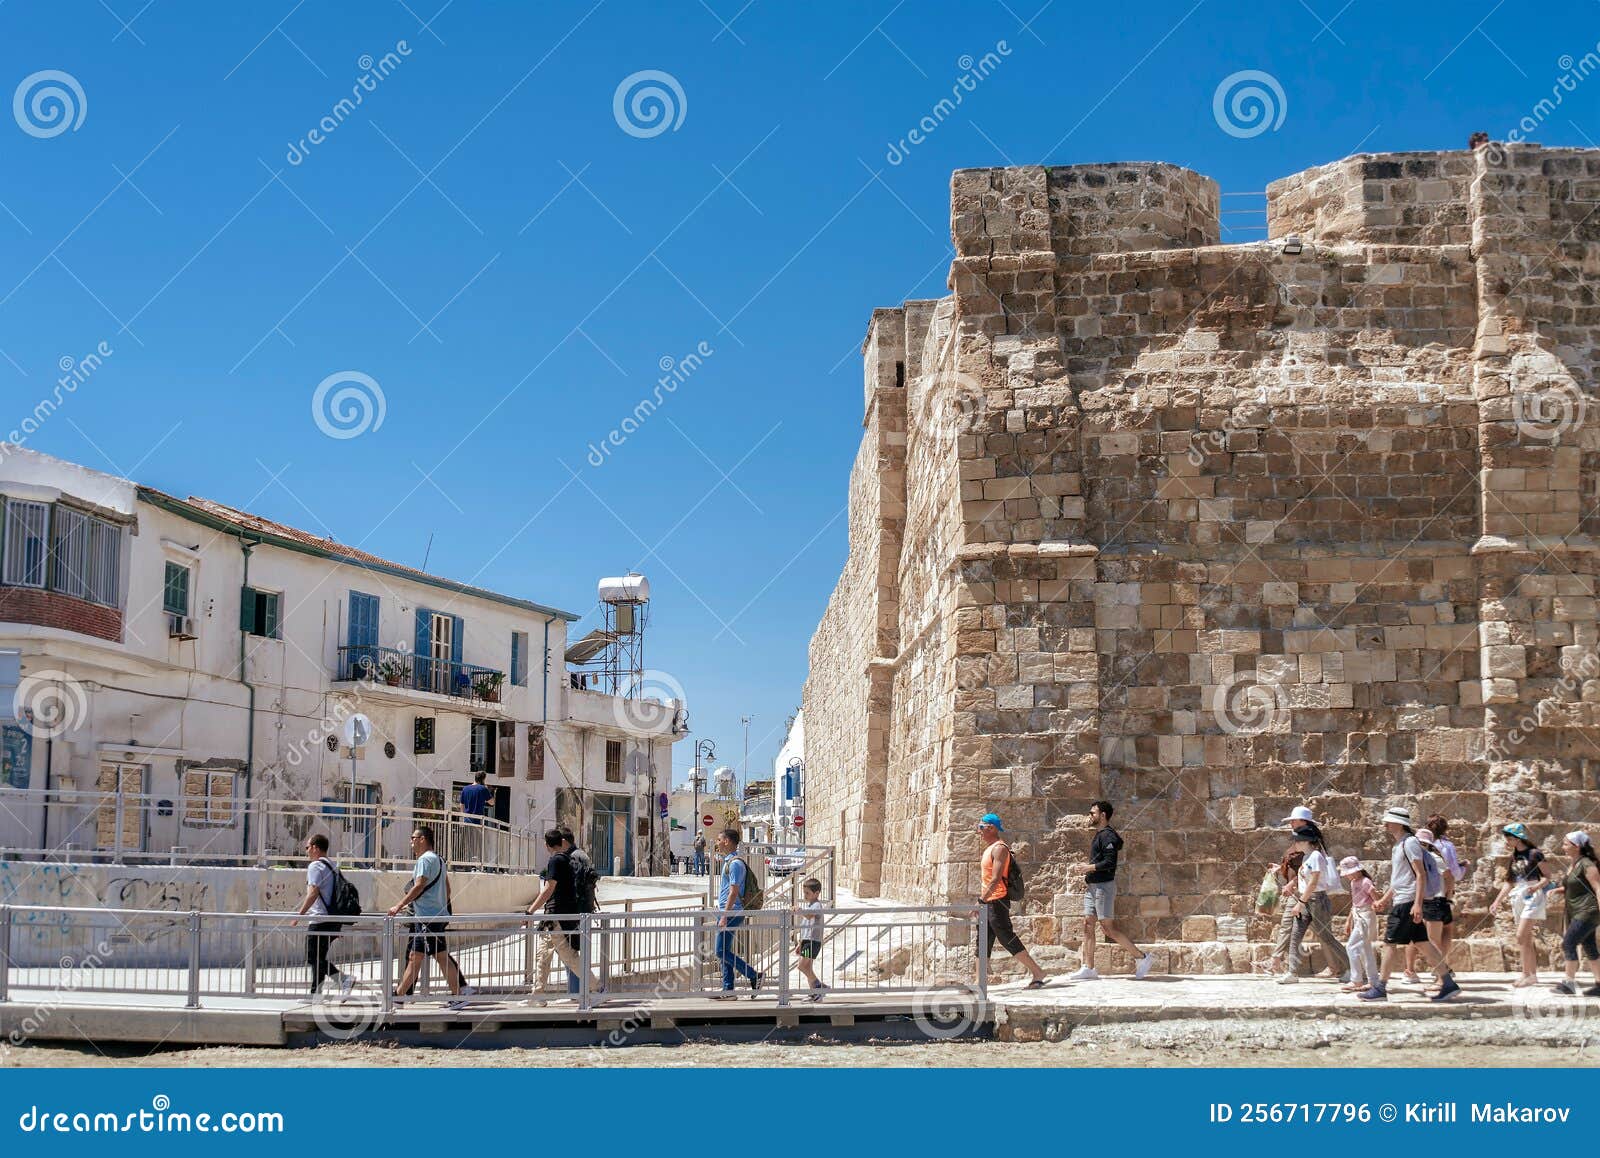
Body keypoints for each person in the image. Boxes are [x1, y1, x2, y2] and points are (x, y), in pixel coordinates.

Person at [1359, 807, 1458, 1002]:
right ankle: (1448, 982)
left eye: (1388, 821)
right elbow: (1399, 880)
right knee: (1422, 943)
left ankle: (1380, 988)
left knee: (1389, 943)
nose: (1385, 824)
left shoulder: (1410, 844)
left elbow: (1419, 875)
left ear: (1398, 823)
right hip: (1403, 898)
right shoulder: (1399, 845)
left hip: (1407, 901)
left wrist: (1418, 904)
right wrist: (1384, 900)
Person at [1068, 801, 1153, 980]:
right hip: (1092, 887)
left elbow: (1110, 863)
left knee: (1108, 928)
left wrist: (1088, 868)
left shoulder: (1108, 836)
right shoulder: (1100, 835)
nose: (1090, 816)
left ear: (1103, 815)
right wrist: (1088, 870)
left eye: (1093, 813)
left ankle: (1142, 958)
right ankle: (1089, 968)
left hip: (1103, 887)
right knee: (1088, 924)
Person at [388, 826, 464, 1004]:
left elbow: (419, 885)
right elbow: (447, 889)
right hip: (434, 916)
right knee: (418, 956)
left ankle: (458, 996)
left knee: (437, 957)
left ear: (422, 839)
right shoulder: (439, 859)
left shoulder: (424, 860)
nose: (411, 842)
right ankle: (399, 996)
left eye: (413, 837)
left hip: (427, 918)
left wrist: (399, 905)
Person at [974, 813, 1049, 988]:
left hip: (996, 902)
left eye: (981, 827)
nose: (979, 831)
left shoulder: (1000, 848)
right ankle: (979, 982)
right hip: (988, 902)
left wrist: (981, 901)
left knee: (1007, 938)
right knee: (982, 940)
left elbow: (996, 879)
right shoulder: (989, 848)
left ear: (991, 828)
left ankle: (1038, 972)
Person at [525, 827, 600, 996]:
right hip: (554, 917)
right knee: (542, 954)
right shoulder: (567, 859)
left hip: (556, 916)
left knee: (570, 958)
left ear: (547, 844)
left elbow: (548, 888)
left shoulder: (556, 861)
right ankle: (537, 994)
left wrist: (529, 911)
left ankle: (597, 987)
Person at [1278, 824, 1350, 984]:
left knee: (1326, 937)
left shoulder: (1316, 856)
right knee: (1295, 936)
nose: (1294, 844)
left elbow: (1314, 882)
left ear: (1305, 841)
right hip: (1305, 900)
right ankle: (1292, 973)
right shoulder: (1305, 857)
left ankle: (1351, 969)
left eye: (1296, 841)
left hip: (1316, 900)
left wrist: (1301, 902)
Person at [1489, 822, 1550, 987]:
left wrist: (1536, 886)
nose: (1506, 841)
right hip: (1518, 895)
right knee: (1526, 939)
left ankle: (1526, 974)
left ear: (1517, 838)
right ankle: (1531, 975)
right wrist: (1497, 901)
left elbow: (1547, 876)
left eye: (1508, 838)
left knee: (1521, 935)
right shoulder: (1514, 856)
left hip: (1532, 894)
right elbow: (1510, 882)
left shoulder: (1535, 854)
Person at [295, 834, 353, 997]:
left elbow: (313, 893)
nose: (306, 851)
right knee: (318, 958)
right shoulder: (332, 865)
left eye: (307, 847)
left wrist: (299, 915)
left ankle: (343, 979)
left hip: (320, 918)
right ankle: (316, 995)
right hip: (332, 919)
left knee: (312, 957)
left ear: (315, 847)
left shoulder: (315, 866)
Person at [1545, 831, 1600, 997]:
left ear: (1577, 847)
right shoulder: (1574, 864)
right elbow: (1575, 886)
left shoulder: (1587, 864)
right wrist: (1558, 890)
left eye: (1566, 844)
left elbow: (1597, 887)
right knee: (1589, 947)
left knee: (1568, 942)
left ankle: (1569, 984)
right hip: (1577, 911)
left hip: (1587, 911)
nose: (1563, 847)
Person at [711, 828, 762, 999]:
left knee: (719, 950)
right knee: (724, 950)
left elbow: (734, 892)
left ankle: (754, 975)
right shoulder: (728, 862)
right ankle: (728, 990)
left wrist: (724, 915)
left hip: (732, 912)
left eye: (719, 840)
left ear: (727, 841)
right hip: (726, 911)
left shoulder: (735, 864)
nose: (717, 843)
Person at [1415, 829, 1456, 996]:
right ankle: (1443, 973)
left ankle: (1442, 979)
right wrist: (1448, 895)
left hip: (1433, 902)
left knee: (1432, 942)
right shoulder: (1434, 857)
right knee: (1437, 940)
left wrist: (1447, 894)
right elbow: (1450, 877)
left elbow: (1449, 876)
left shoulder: (1430, 858)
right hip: (1440, 901)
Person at [1261, 848, 1305, 976]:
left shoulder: (1308, 852)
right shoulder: (1294, 849)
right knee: (1285, 927)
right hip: (1294, 896)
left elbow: (1307, 873)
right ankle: (1275, 962)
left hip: (1304, 895)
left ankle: (1337, 965)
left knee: (1323, 934)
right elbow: (1292, 870)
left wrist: (1291, 884)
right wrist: (1280, 868)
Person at [1339, 856, 1379, 993]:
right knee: (1365, 950)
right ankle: (1373, 981)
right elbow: (1354, 903)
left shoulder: (1366, 882)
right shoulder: (1354, 883)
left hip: (1365, 916)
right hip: (1358, 916)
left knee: (1351, 947)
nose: (1347, 876)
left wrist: (1374, 906)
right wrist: (1349, 920)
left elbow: (1376, 900)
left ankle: (1357, 980)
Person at [793, 876, 827, 1000]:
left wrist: (799, 910)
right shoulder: (810, 905)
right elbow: (805, 928)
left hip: (813, 942)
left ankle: (819, 986)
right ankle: (814, 993)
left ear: (816, 893)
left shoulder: (817, 905)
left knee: (802, 966)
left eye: (807, 893)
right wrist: (800, 944)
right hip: (807, 942)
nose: (805, 895)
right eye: (804, 893)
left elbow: (809, 916)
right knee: (808, 968)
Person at [460, 772, 493, 866]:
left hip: (467, 820)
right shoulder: (483, 789)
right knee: (478, 844)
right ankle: (475, 865)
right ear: (483, 779)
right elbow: (492, 802)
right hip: (478, 821)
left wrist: (463, 816)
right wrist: (488, 791)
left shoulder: (465, 789)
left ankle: (466, 863)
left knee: (468, 843)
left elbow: (461, 805)